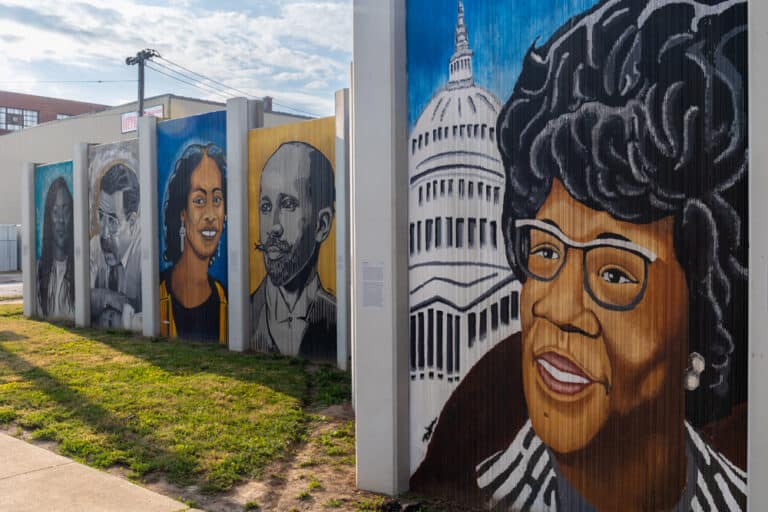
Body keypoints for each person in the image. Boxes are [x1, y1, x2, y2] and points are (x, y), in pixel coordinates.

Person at [411, 0, 748, 510]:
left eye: (614, 271)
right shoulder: (464, 470)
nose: (558, 307)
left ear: (704, 314)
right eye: (545, 250)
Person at [249, 141, 337, 361]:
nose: (273, 226)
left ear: (322, 225)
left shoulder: (339, 321)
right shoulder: (244, 314)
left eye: (288, 205)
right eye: (266, 207)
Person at [159, 143, 227, 343]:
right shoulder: (158, 292)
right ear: (182, 214)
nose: (210, 215)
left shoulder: (226, 302)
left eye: (217, 200)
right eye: (199, 201)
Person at [90, 163, 142, 330]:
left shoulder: (144, 255)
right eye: (101, 216)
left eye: (113, 221)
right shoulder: (94, 247)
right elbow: (76, 297)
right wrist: (107, 297)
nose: (103, 233)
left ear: (132, 223)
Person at [37, 176, 74, 319]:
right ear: (48, 217)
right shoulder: (38, 270)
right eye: (55, 212)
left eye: (66, 211)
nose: (60, 220)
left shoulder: (86, 268)